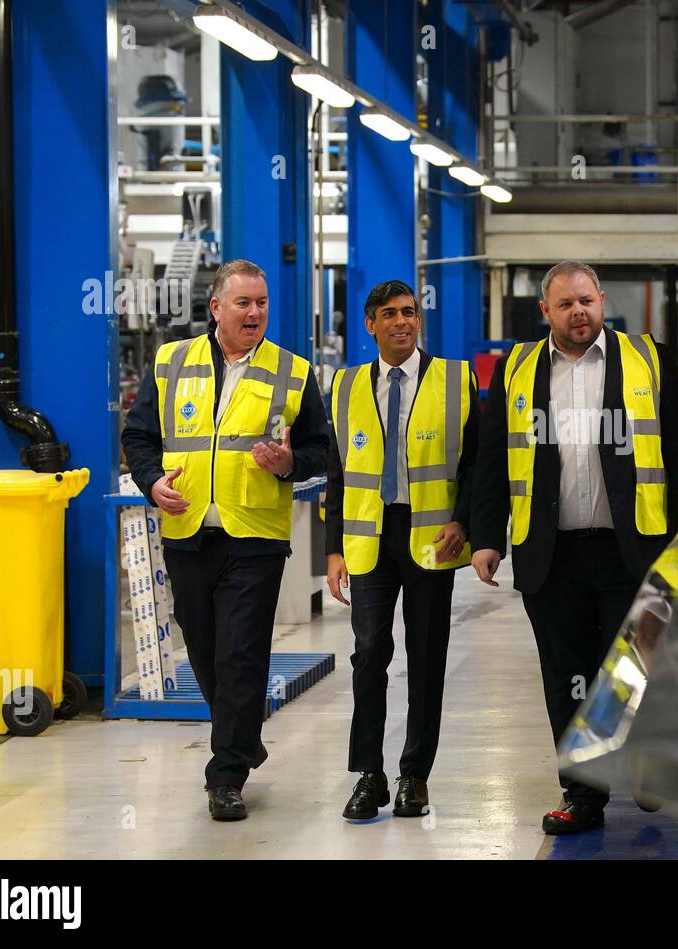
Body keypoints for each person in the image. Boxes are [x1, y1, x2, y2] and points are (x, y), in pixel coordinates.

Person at [471, 260, 678, 835]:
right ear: (545, 312)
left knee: (635, 669)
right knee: (566, 676)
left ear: (602, 301)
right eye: (567, 304)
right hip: (550, 553)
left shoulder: (647, 359)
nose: (580, 312)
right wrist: (485, 538)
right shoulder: (517, 369)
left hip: (633, 549)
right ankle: (582, 793)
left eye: (588, 301)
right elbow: (491, 458)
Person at [122, 259, 330, 822]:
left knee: (241, 653)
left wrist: (290, 463)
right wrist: (151, 481)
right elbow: (138, 436)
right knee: (206, 650)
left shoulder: (292, 371)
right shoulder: (171, 362)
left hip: (255, 536)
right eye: (243, 303)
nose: (255, 313)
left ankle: (226, 774)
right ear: (216, 308)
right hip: (188, 532)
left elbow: (320, 449)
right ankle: (241, 735)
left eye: (261, 303)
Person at [324, 280, 479, 823]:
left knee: (427, 655)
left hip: (432, 536)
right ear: (370, 324)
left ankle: (415, 775)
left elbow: (476, 464)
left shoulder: (456, 380)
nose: (401, 322)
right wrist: (332, 549)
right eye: (389, 314)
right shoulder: (344, 386)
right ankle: (370, 775)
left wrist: (465, 521)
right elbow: (337, 471)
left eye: (409, 312)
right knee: (369, 656)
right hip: (368, 538)